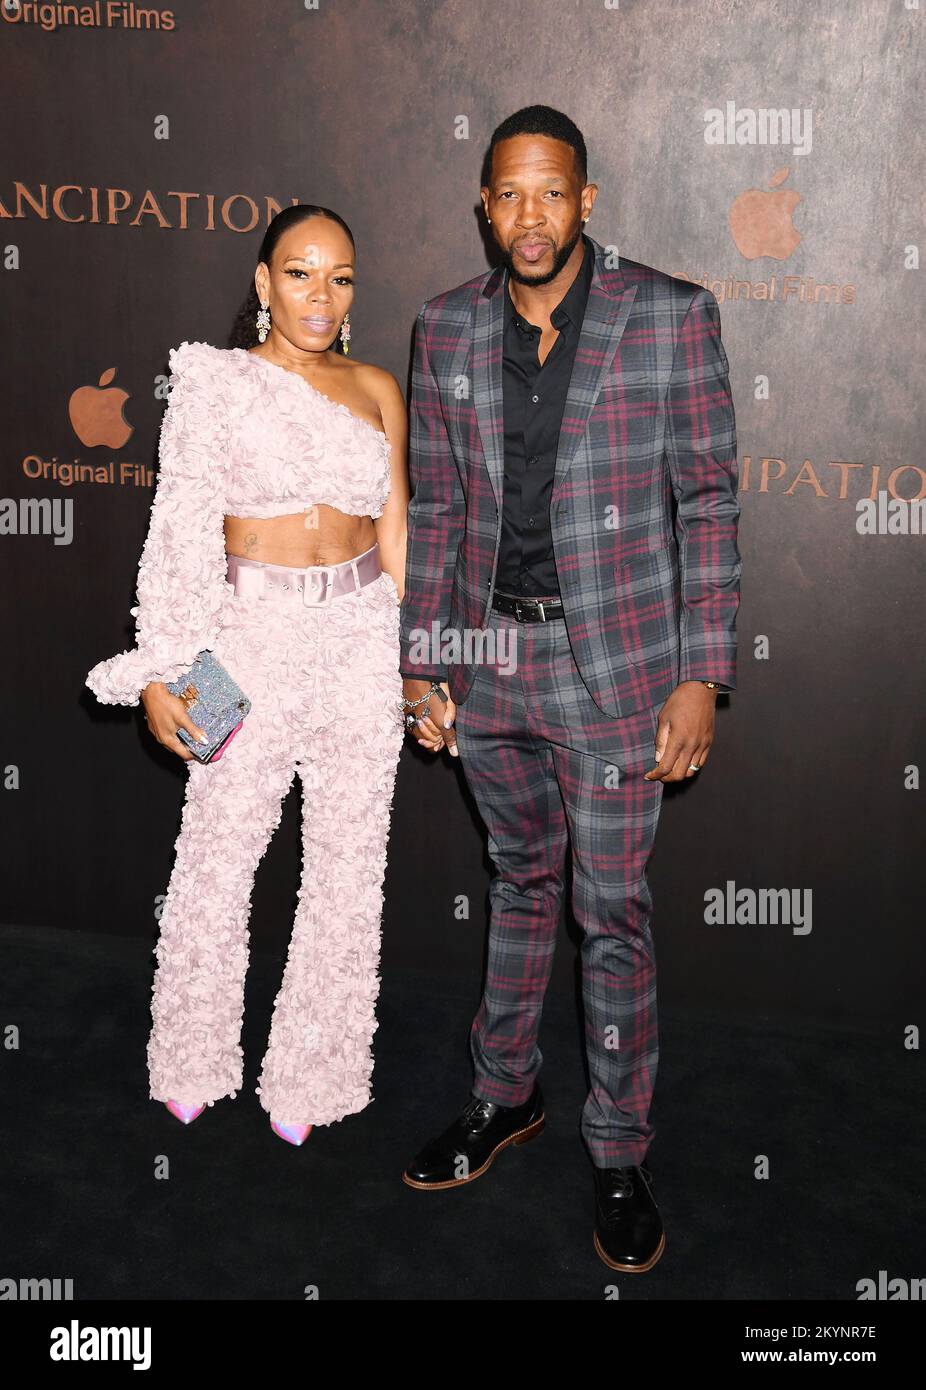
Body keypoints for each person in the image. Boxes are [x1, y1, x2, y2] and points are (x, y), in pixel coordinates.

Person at [398, 106, 741, 1271]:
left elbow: (707, 502)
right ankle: (505, 1095)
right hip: (490, 660)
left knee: (612, 914)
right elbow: (437, 511)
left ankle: (615, 1148)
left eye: (551, 193)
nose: (529, 216)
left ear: (585, 200)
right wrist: (423, 659)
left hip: (616, 670)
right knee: (517, 884)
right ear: (483, 206)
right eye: (508, 194)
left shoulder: (668, 315)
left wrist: (699, 671)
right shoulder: (443, 328)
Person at [86, 205, 408, 1146]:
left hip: (359, 636)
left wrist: (421, 666)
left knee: (351, 867)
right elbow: (179, 535)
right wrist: (162, 672)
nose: (321, 294)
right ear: (263, 282)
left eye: (341, 277)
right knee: (217, 855)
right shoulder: (217, 385)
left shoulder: (380, 387)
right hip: (244, 639)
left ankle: (313, 1078)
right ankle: (190, 1058)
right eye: (301, 273)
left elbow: (397, 540)